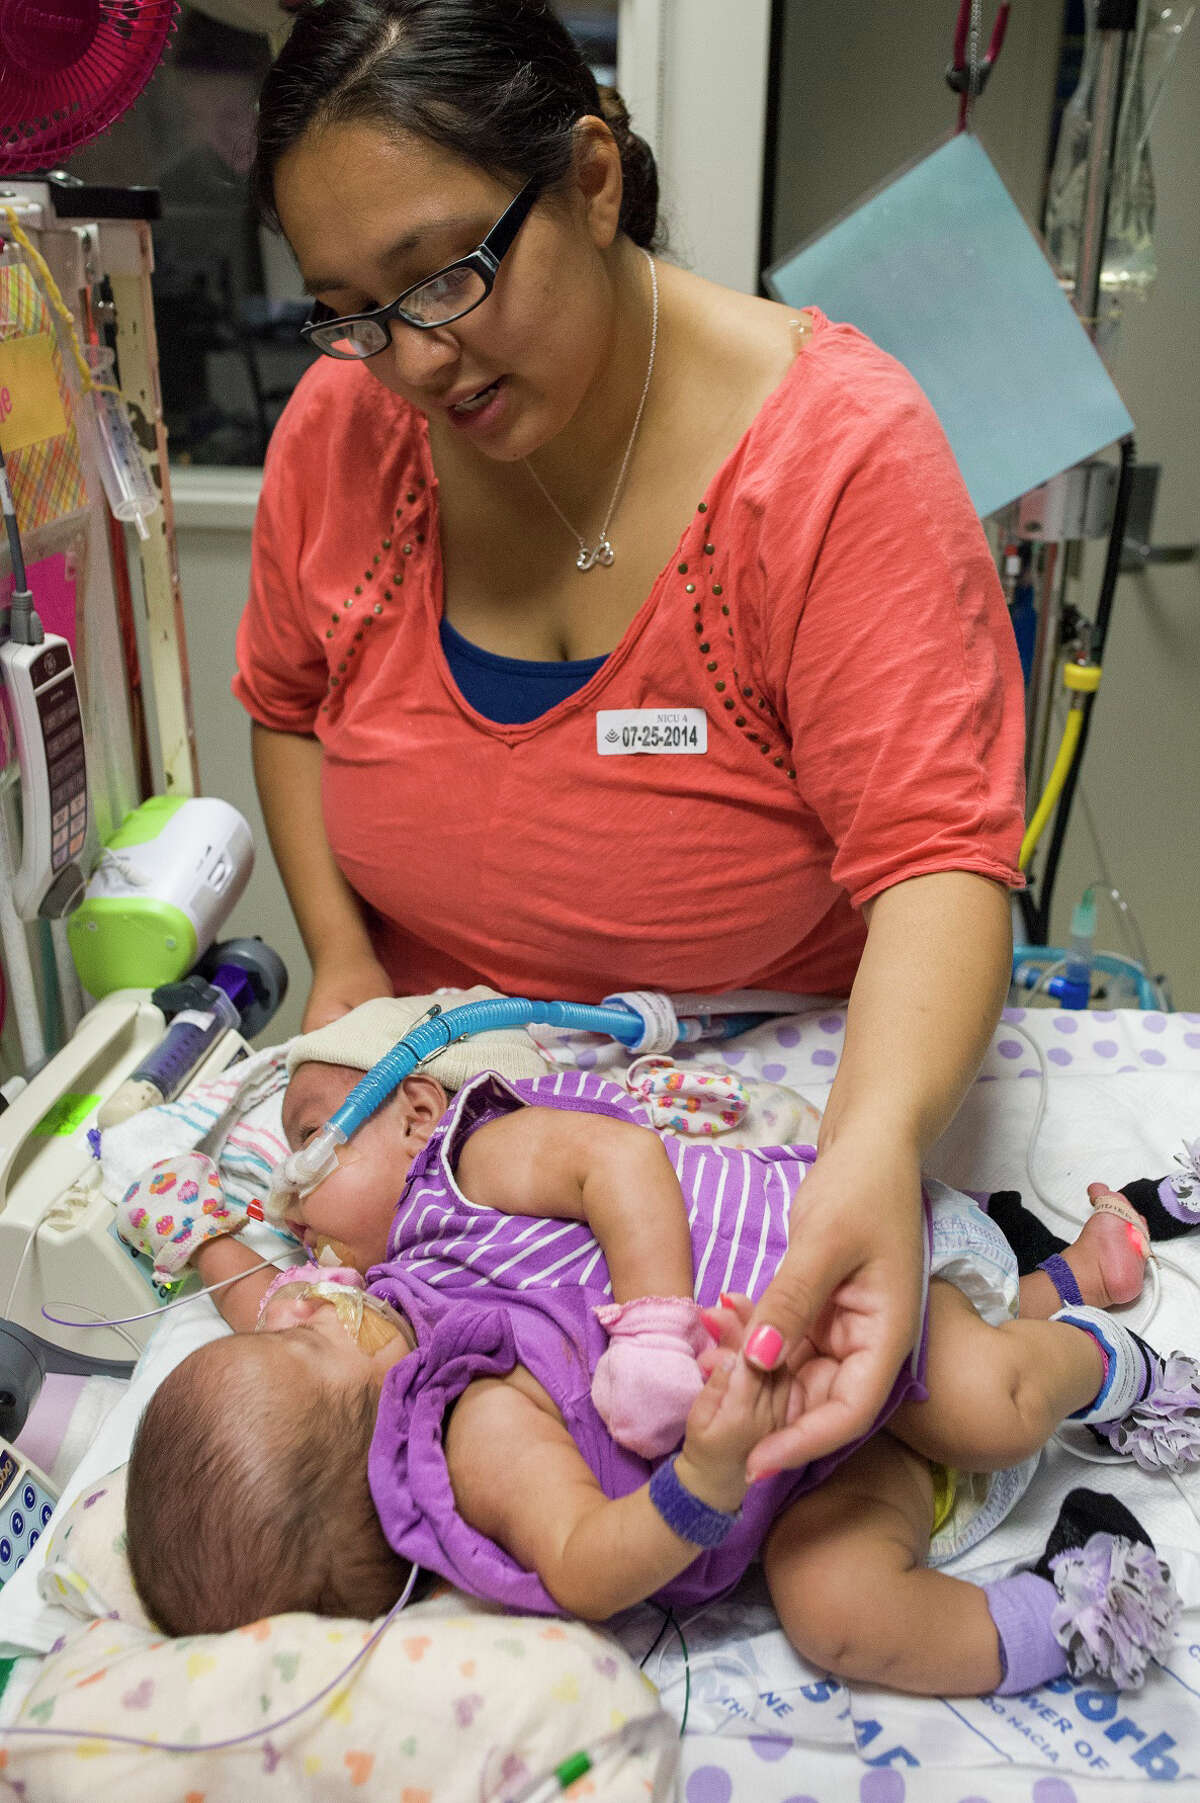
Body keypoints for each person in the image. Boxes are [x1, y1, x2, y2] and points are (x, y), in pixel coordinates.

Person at [232, 0, 1030, 1472]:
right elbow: (285, 703)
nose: (409, 364)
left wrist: (868, 1157)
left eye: (443, 278)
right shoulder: (343, 438)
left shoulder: (835, 460)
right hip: (449, 1090)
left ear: (593, 180)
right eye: (350, 309)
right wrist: (342, 958)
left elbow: (937, 863)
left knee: (847, 1452)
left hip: (754, 1079)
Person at [123, 1044, 1195, 1697]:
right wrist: (709, 1477)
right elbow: (589, 1562)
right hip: (807, 1458)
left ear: (412, 1115)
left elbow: (621, 1159)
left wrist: (650, 1331)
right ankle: (1074, 1613)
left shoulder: (457, 1180)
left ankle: (1118, 1368)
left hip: (848, 1276)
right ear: (377, 1462)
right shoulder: (477, 1432)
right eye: (302, 1335)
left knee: (977, 1402)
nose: (294, 1283)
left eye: (310, 1144)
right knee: (836, 1610)